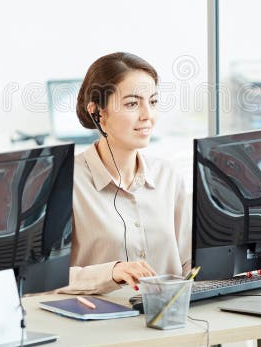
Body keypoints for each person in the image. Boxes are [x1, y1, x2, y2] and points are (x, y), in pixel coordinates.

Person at [64, 52, 191, 294]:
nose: (147, 115)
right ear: (97, 112)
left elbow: (190, 262)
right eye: (132, 104)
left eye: (152, 102)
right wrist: (111, 272)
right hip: (101, 317)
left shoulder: (167, 176)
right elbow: (38, 282)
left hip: (169, 313)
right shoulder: (67, 183)